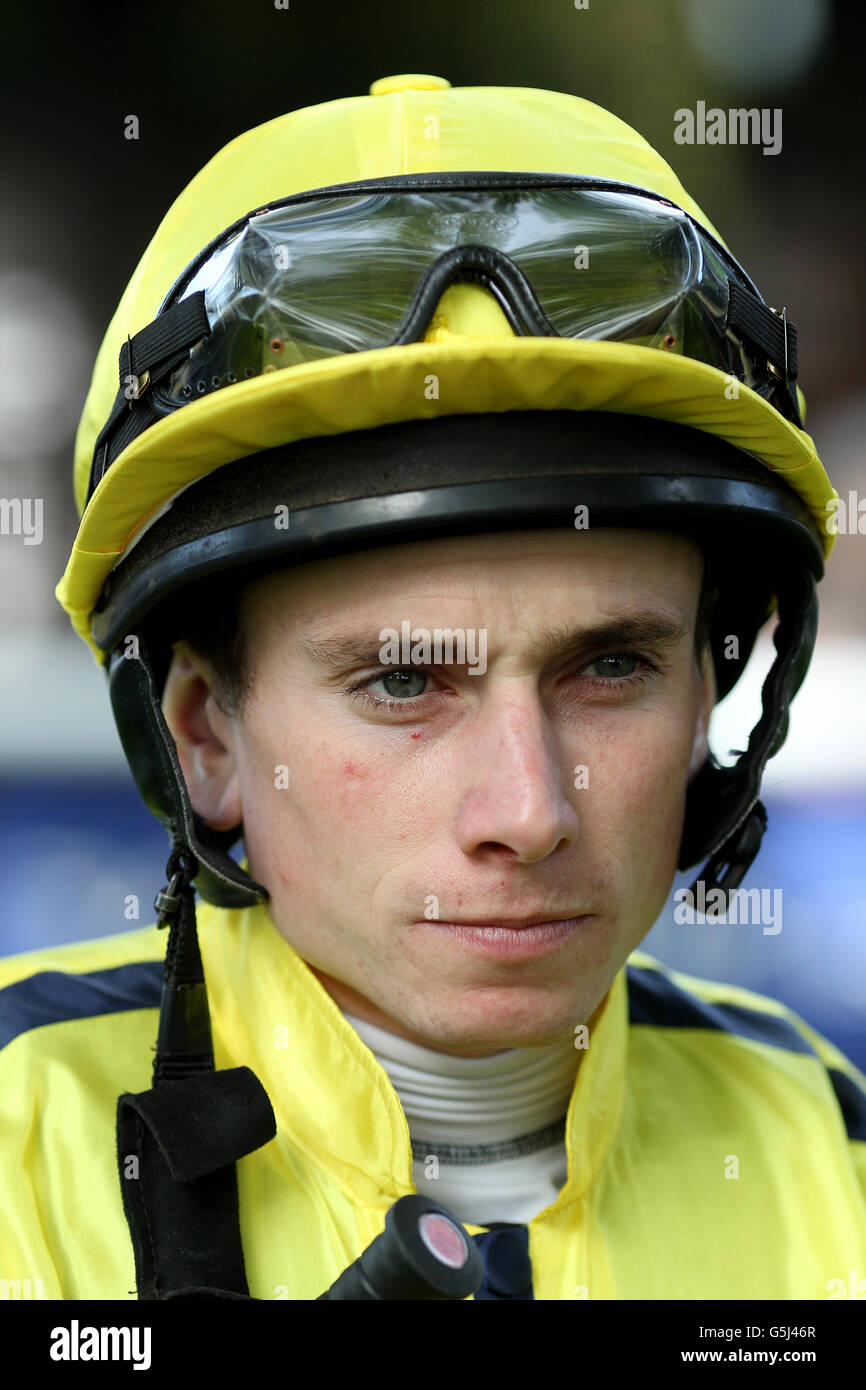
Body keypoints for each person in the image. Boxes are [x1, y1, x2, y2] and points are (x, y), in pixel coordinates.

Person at [1, 73, 864, 1302]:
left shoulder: (833, 1150)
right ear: (203, 736)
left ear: (714, 704)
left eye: (610, 665)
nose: (526, 811)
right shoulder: (10, 1150)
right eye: (404, 680)